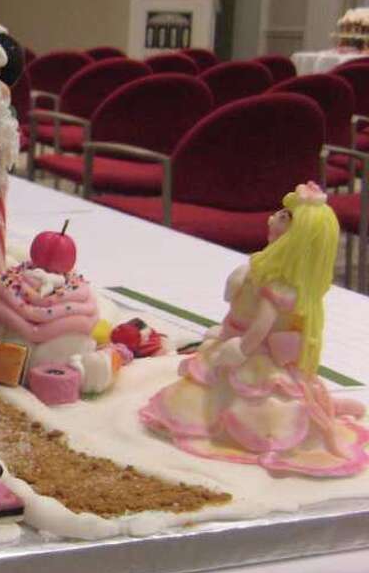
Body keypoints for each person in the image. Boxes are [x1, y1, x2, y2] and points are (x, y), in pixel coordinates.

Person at [141, 182, 369, 477]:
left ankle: (315, 415)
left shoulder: (277, 285)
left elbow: (262, 323)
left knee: (258, 402)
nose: (271, 218)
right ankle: (324, 410)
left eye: (284, 217)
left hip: (252, 352)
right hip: (235, 336)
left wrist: (241, 348)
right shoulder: (264, 268)